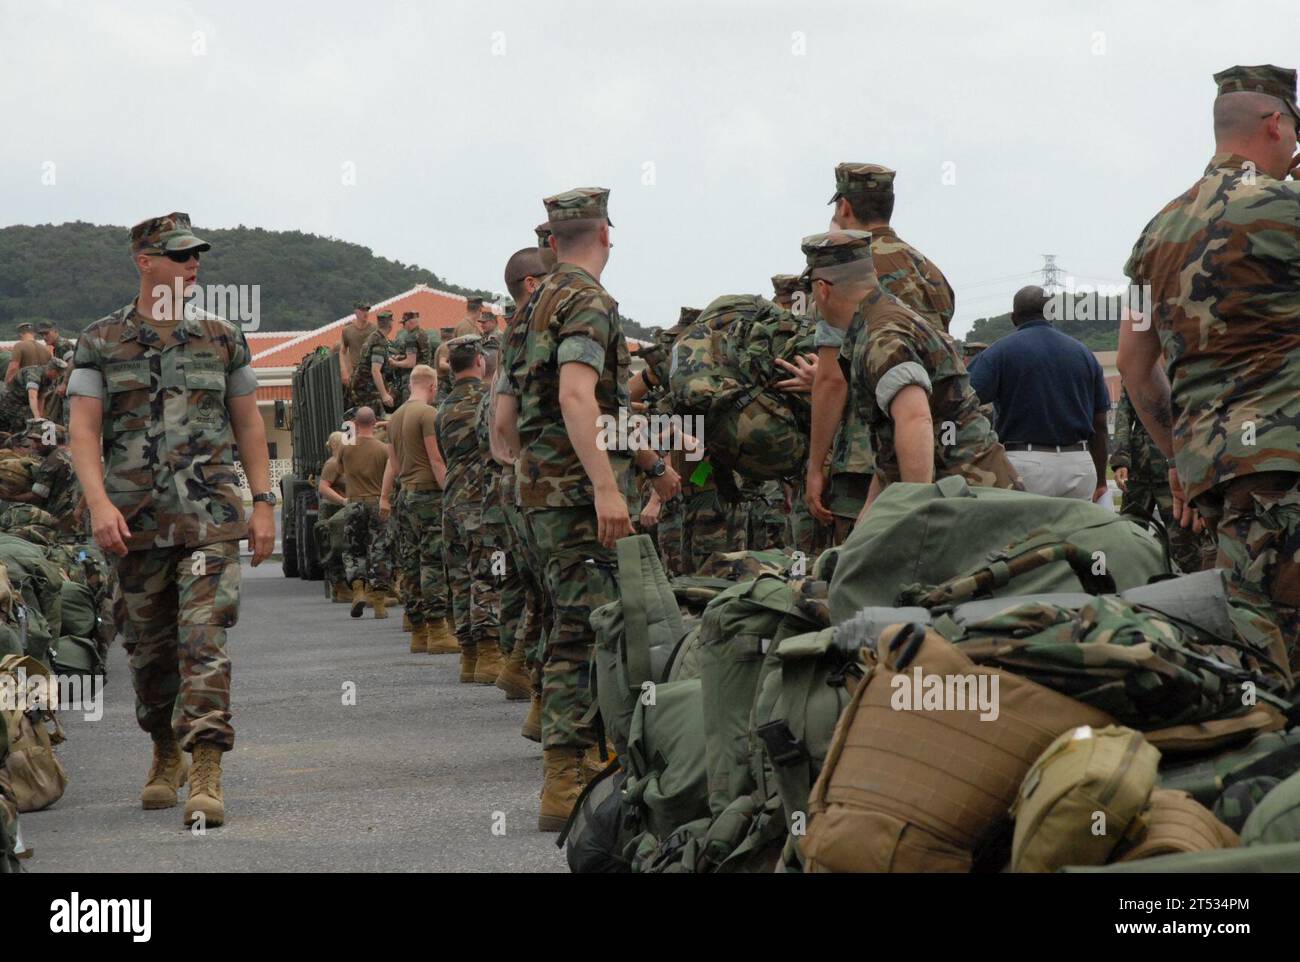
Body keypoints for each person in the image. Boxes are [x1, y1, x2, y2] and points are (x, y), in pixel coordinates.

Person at [67, 211, 274, 829]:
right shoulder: (100, 340)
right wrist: (100, 503)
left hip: (210, 517)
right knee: (149, 655)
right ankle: (164, 746)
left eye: (196, 256)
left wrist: (262, 501)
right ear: (144, 262)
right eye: (180, 256)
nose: (193, 266)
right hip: (133, 523)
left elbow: (250, 424)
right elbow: (83, 431)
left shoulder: (222, 336)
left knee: (203, 641)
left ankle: (206, 766)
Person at [509, 187, 679, 829]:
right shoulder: (587, 300)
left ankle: (581, 765)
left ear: (552, 237)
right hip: (578, 493)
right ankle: (566, 777)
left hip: (540, 490)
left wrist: (651, 466)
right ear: (607, 234)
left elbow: (505, 420)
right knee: (590, 628)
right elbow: (581, 397)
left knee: (573, 621)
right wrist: (609, 487)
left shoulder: (530, 306)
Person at [1118, 63, 1300, 666]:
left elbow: (1134, 366)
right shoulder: (1286, 209)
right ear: (1275, 124)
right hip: (1288, 466)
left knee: (1249, 645)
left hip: (1212, 475)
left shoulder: (1158, 231)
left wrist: (1178, 454)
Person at [803, 230, 1019, 516]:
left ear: (822, 289)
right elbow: (891, 446)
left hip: (970, 503)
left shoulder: (882, 338)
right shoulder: (881, 321)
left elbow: (915, 418)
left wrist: (914, 519)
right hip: (968, 493)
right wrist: (868, 524)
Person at [806, 163, 956, 544]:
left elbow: (831, 378)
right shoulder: (930, 272)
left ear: (843, 207)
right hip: (938, 445)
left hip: (865, 456)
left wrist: (815, 465)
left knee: (857, 566)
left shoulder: (843, 266)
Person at [967, 286, 1110, 500]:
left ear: (1013, 318)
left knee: (1025, 533)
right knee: (1074, 534)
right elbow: (1099, 423)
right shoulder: (1084, 353)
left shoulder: (999, 352)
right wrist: (1100, 479)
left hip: (1025, 461)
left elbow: (962, 400)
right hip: (1079, 464)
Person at [435, 336, 502, 683]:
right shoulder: (489, 400)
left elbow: (446, 457)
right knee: (489, 575)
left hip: (453, 501)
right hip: (483, 502)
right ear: (479, 360)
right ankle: (491, 654)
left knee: (460, 580)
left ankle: (469, 657)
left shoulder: (442, 408)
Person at [380, 364, 456, 653]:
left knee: (410, 565)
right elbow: (437, 461)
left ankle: (418, 631)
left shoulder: (395, 417)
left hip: (406, 496)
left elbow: (395, 465)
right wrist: (450, 496)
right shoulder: (428, 414)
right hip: (429, 496)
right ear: (433, 386)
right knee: (434, 563)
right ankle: (438, 631)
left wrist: (387, 496)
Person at [1111, 388, 1212, 573]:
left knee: (1184, 543)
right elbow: (1123, 418)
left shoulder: (1179, 367)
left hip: (1176, 467)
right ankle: (1131, 589)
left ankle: (1191, 589)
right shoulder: (1137, 367)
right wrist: (1120, 460)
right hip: (1138, 471)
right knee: (1129, 537)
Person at [339, 406, 392, 618]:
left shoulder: (347, 446)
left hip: (353, 503)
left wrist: (353, 424)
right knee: (379, 550)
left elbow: (339, 465)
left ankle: (358, 590)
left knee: (353, 550)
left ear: (355, 422)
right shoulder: (384, 449)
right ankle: (378, 602)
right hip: (376, 503)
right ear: (375, 421)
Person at [317, 431, 351, 602]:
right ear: (335, 445)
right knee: (334, 547)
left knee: (344, 545)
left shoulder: (344, 462)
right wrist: (343, 500)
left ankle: (342, 587)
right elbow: (323, 488)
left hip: (340, 509)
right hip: (332, 509)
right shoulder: (332, 464)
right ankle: (339, 585)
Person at [352, 310, 395, 414]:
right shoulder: (379, 342)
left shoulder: (373, 337)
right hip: (368, 389)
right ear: (390, 324)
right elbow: (375, 370)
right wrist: (384, 395)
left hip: (362, 386)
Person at [338, 302, 373, 405]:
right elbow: (342, 352)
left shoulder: (374, 329)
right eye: (362, 310)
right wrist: (344, 371)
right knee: (354, 402)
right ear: (356, 312)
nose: (365, 313)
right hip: (355, 373)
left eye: (367, 310)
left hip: (371, 371)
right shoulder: (347, 331)